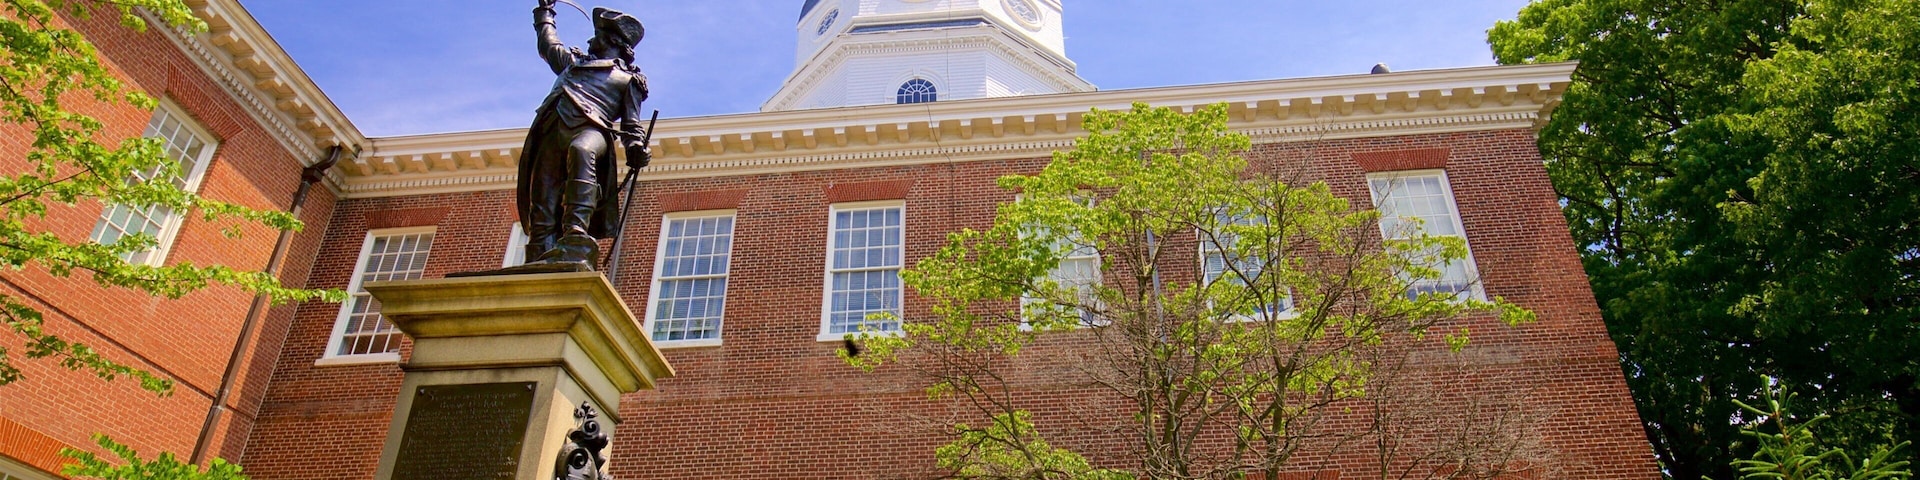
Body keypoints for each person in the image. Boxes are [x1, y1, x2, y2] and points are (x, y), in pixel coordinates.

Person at [517, 0, 650, 267]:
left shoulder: (628, 80)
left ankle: (576, 235)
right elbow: (549, 45)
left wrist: (636, 145)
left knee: (582, 150)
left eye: (598, 35)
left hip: (593, 129)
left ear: (612, 41)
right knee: (544, 193)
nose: (590, 40)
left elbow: (631, 123)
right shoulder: (572, 63)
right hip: (552, 129)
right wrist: (545, 13)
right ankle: (538, 253)